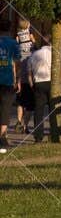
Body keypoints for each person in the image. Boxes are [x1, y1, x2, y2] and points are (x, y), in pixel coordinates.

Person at [29, 38, 61, 143]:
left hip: (39, 83)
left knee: (38, 110)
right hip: (52, 82)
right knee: (53, 109)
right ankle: (54, 133)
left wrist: (32, 84)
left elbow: (29, 72)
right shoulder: (56, 54)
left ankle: (38, 136)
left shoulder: (35, 54)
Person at [0, 23, 18, 154]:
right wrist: (18, 80)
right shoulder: (12, 43)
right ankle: (2, 136)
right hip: (7, 81)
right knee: (5, 109)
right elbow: (16, 63)